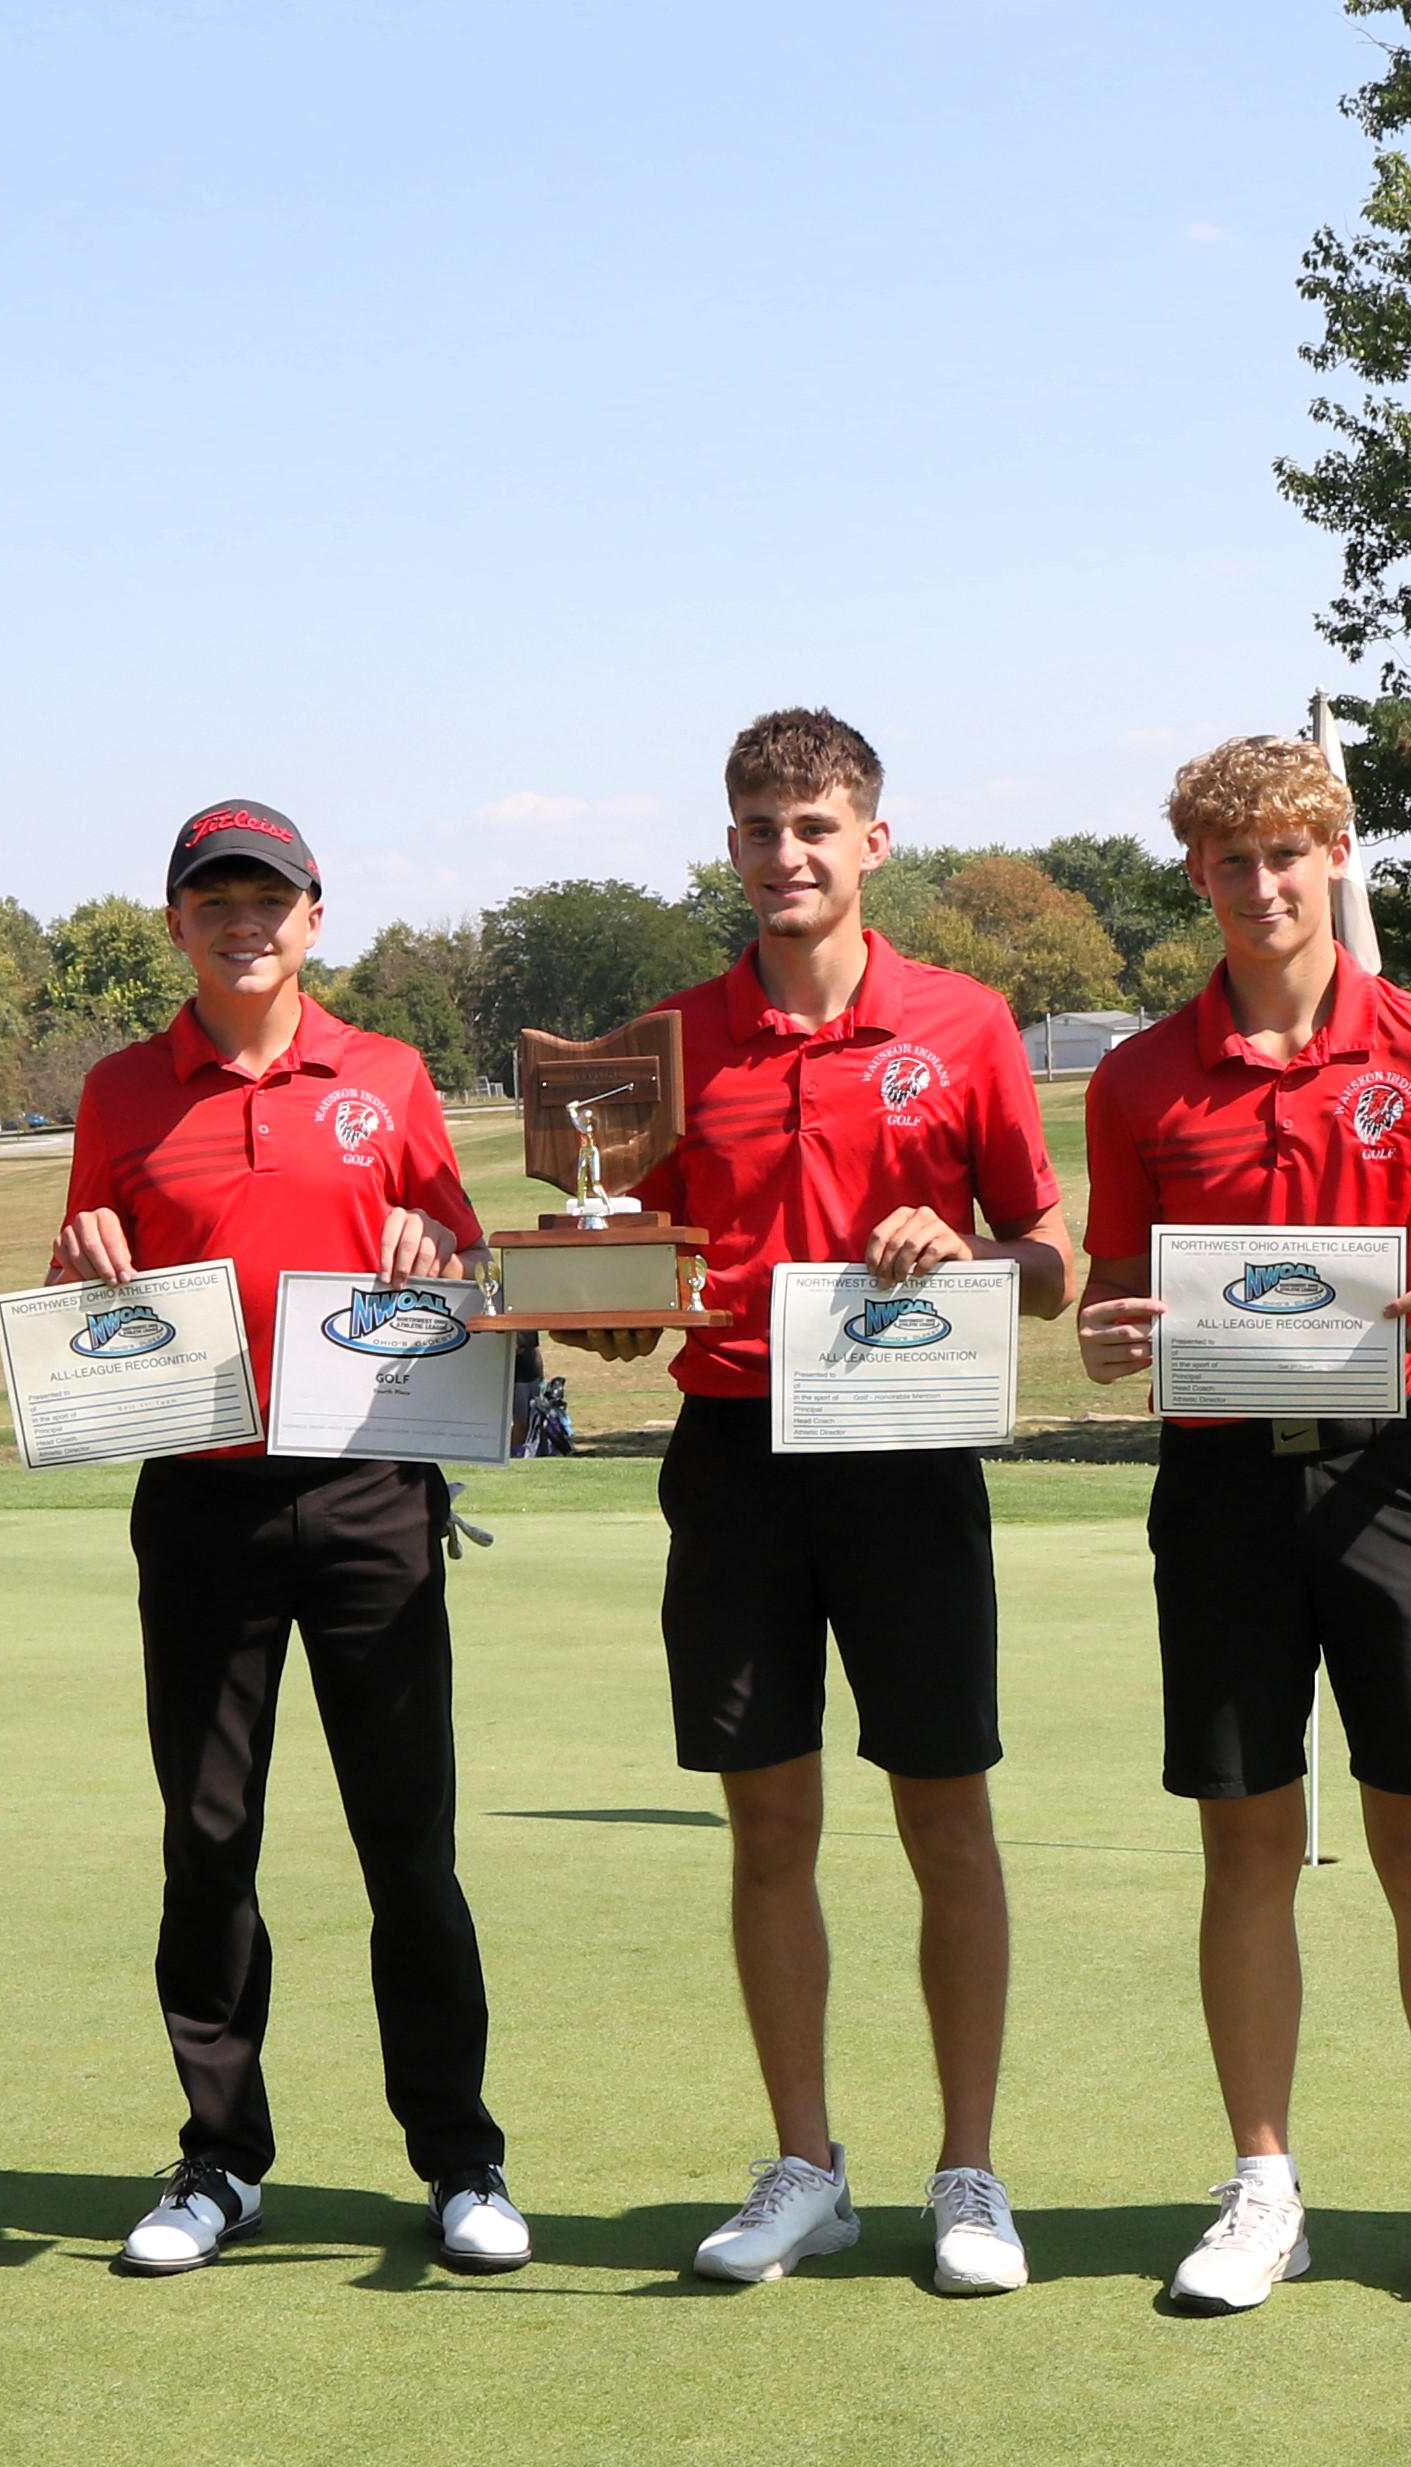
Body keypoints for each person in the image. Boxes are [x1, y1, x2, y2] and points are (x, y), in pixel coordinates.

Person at [1075, 735, 1411, 2322]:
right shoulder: (1141, 1075)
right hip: (1218, 1488)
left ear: (1336, 855)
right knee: (1243, 1843)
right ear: (1197, 874)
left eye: (1289, 854)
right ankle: (1263, 2184)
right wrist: (1100, 1336)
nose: (1263, 883)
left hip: (1389, 1478)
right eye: (1232, 860)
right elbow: (1104, 1294)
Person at [569, 706, 1071, 2295]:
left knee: (945, 1813)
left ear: (870, 841)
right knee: (767, 1820)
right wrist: (603, 1312)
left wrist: (974, 1254)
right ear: (729, 847)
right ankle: (807, 2166)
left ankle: (968, 2173)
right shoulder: (661, 1044)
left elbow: (1050, 1265)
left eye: (813, 827)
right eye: (757, 830)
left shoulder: (969, 1023)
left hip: (909, 1463)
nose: (784, 856)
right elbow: (614, 1270)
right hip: (731, 1464)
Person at [50, 798, 529, 2280]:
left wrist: (442, 1247)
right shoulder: (123, 1092)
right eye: (215, 901)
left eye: (270, 898)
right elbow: (91, 1301)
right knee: (207, 1842)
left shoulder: (384, 1077)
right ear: (178, 925)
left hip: (374, 1488)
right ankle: (218, 2159)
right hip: (199, 1499)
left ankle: (459, 2157)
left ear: (314, 919)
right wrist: (79, 1270)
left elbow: (460, 1264)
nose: (243, 921)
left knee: (409, 1840)